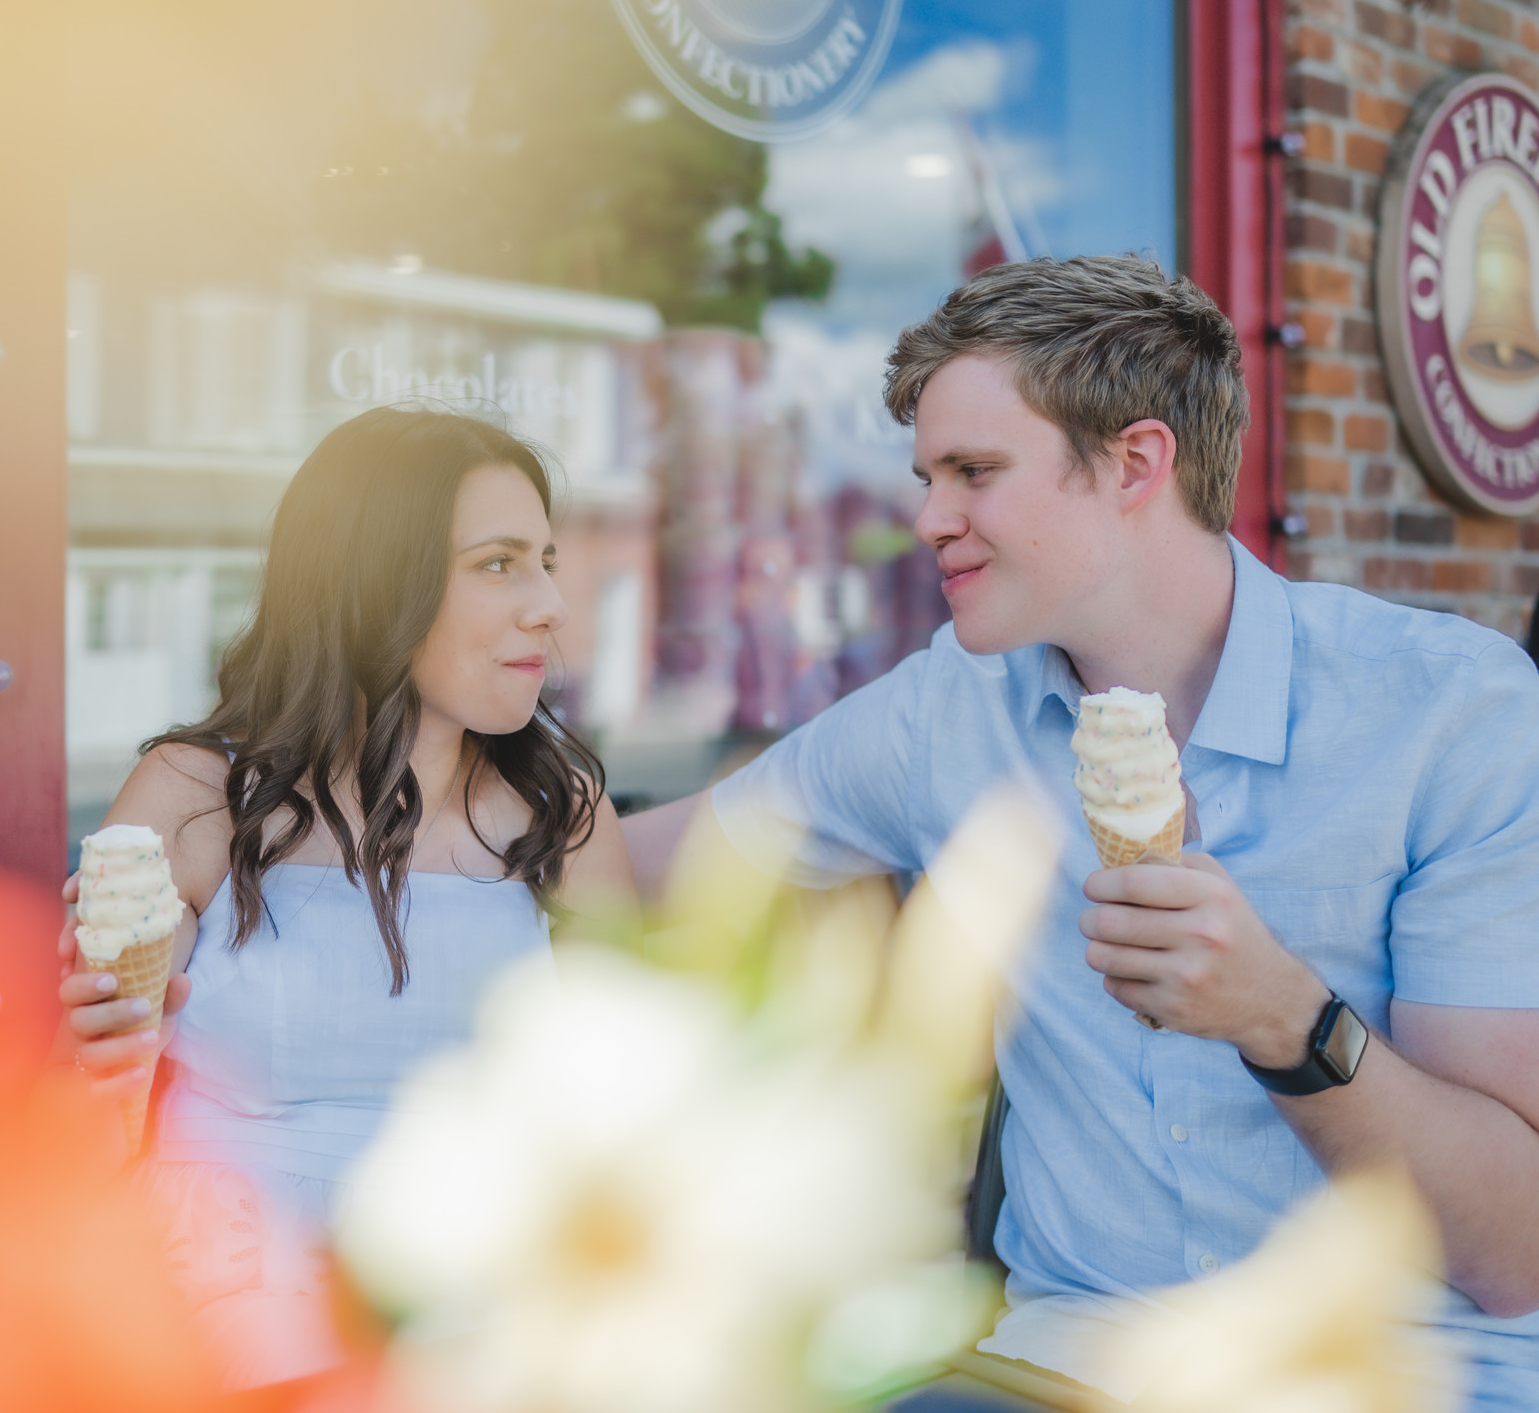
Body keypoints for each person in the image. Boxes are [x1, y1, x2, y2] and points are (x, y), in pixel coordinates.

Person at [624, 255, 1539, 1409]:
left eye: (973, 472)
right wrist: (410, 782)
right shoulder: (948, 706)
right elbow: (643, 862)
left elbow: (1512, 1250)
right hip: (1063, 1371)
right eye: (926, 476)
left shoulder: (1450, 713)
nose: (925, 518)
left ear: (1134, 464)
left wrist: (1284, 1021)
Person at [58, 404, 637, 1386]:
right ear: (378, 582)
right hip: (222, 1342)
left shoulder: (560, 811)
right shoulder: (196, 796)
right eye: (499, 563)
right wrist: (80, 1055)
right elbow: (83, 1125)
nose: (549, 601)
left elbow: (632, 1113)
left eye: (544, 559)